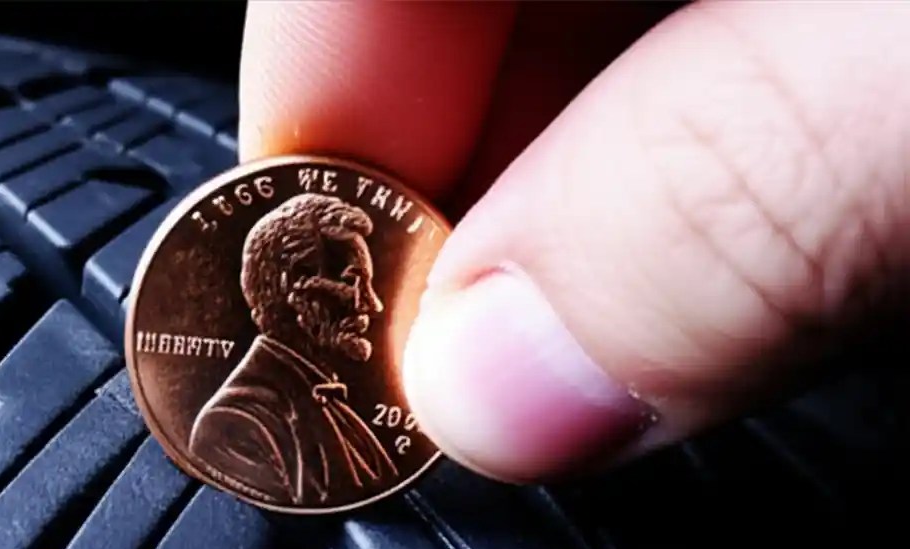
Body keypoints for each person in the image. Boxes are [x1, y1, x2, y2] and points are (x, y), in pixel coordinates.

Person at [236, 2, 909, 484]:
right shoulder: (246, 426)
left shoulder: (315, 410)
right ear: (292, 290)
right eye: (348, 280)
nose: (373, 298)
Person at [189, 193, 400, 507]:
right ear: (296, 285)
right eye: (353, 282)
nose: (373, 304)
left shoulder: (330, 403)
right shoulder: (232, 425)